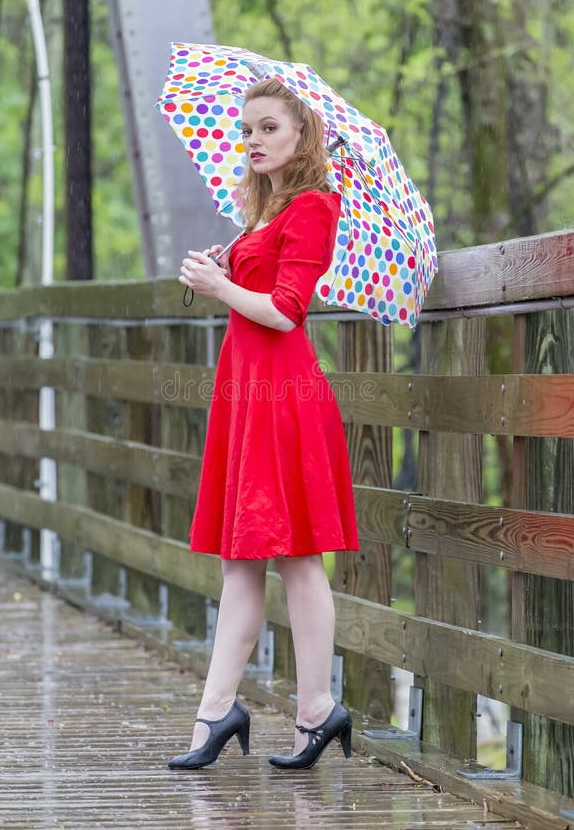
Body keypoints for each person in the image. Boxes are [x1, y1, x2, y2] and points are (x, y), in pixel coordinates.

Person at [169, 78, 359, 771]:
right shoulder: (266, 210)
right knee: (241, 557)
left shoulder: (313, 207)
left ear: (303, 135)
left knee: (298, 556)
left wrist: (222, 286)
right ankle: (222, 710)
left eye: (269, 128)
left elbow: (285, 311)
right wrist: (225, 264)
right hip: (248, 394)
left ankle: (313, 708)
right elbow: (259, 287)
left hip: (282, 397)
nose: (252, 140)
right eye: (247, 129)